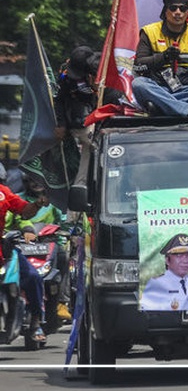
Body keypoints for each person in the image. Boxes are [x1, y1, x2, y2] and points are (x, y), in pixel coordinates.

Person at [54, 47, 126, 187]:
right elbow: (59, 99)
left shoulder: (111, 89)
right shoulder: (67, 77)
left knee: (93, 150)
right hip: (78, 124)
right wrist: (61, 124)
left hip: (103, 132)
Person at [0, 172, 51, 342]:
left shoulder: (4, 193)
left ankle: (36, 322)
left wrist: (37, 205)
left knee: (32, 276)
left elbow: (24, 211)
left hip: (4, 251)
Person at [139, 233, 188, 311]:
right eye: (179, 255)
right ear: (167, 260)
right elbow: (147, 313)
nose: (185, 260)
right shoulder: (157, 283)